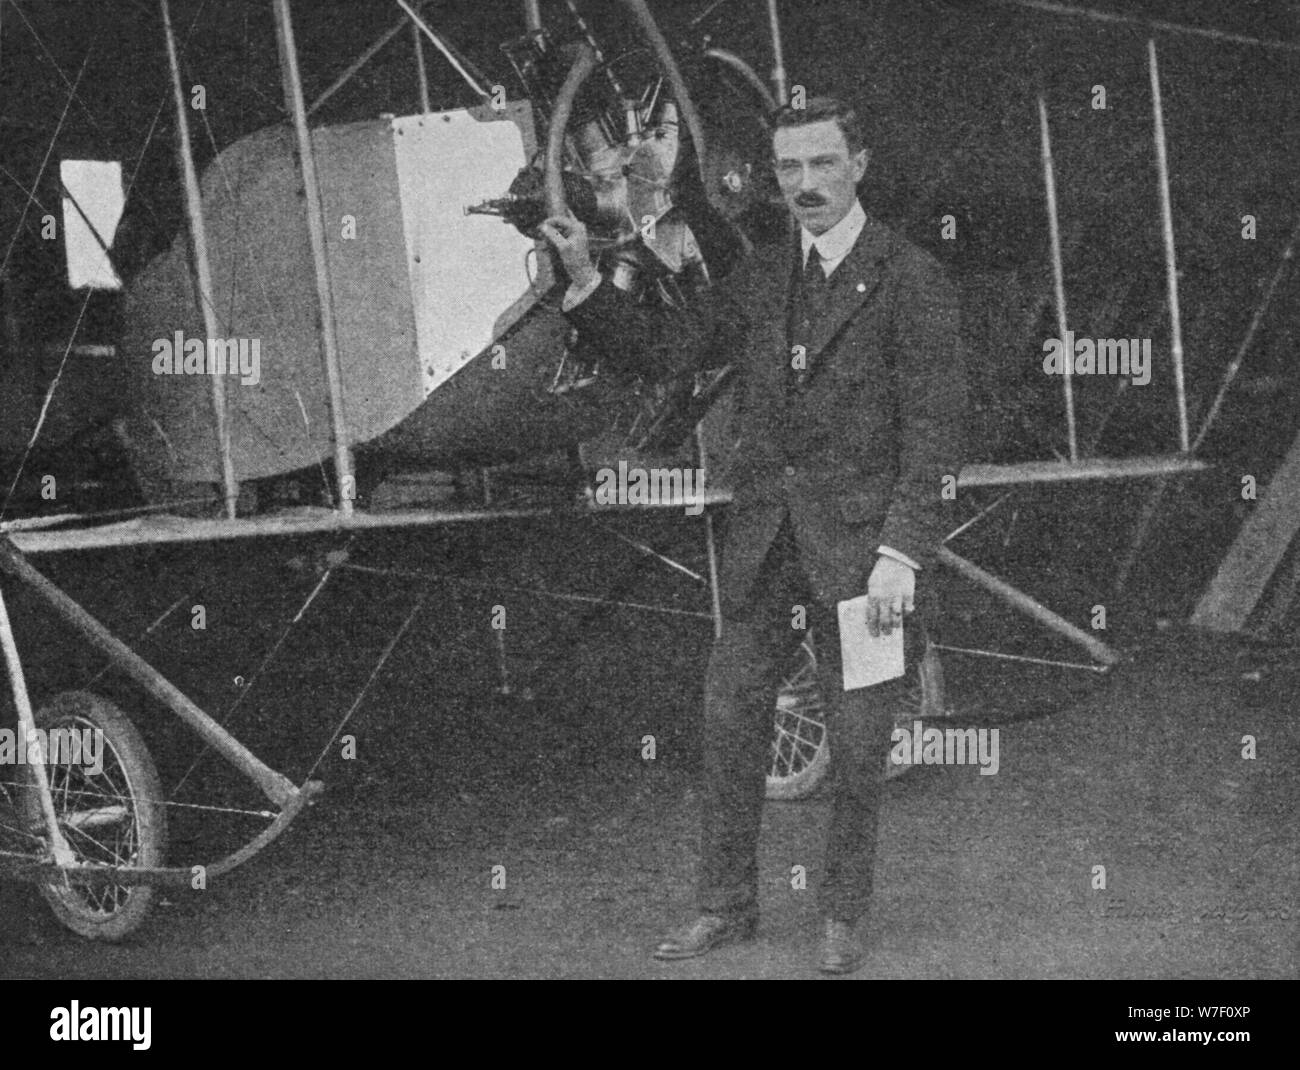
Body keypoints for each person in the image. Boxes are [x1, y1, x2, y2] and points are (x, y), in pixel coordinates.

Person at [541, 95, 966, 974]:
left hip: (867, 559)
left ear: (860, 164)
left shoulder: (913, 280)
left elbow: (936, 436)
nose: (804, 184)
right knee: (729, 718)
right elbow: (666, 352)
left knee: (858, 742)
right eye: (787, 169)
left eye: (820, 164)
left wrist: (901, 555)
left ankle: (842, 915)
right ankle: (725, 907)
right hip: (767, 545)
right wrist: (583, 279)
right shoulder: (761, 278)